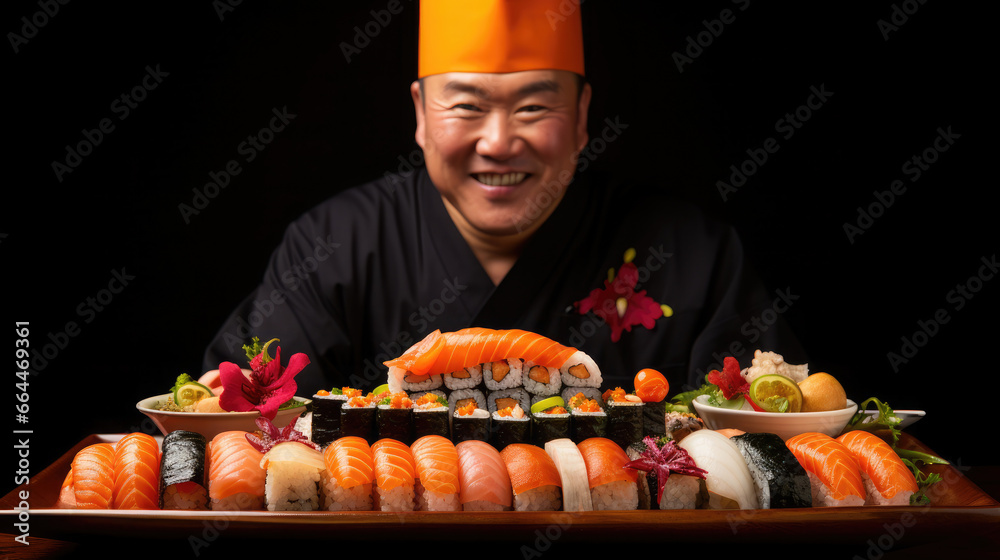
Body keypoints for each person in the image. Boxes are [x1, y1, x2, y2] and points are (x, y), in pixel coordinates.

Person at [202, 0, 805, 396]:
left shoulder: (694, 253)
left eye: (534, 107)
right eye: (466, 106)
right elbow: (244, 416)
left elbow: (771, 426)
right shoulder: (333, 246)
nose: (497, 142)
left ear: (582, 115)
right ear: (419, 112)